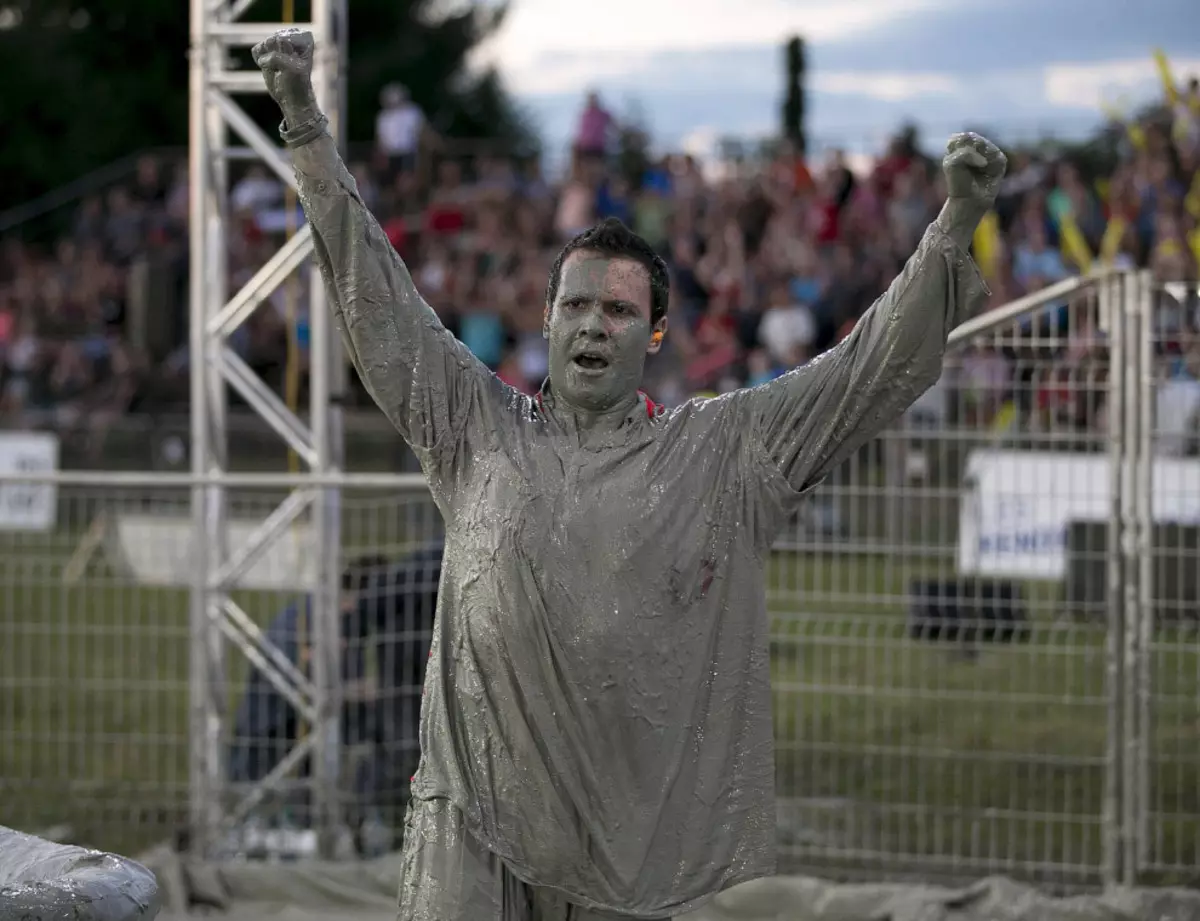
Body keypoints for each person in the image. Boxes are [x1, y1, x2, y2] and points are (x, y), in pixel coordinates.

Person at [253, 29, 1007, 921]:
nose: (592, 325)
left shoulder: (722, 452)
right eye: (575, 304)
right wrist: (304, 122)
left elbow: (864, 373)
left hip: (626, 839)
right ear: (545, 318)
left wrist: (954, 223)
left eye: (617, 309)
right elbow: (372, 291)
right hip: (468, 815)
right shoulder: (472, 424)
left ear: (653, 333)